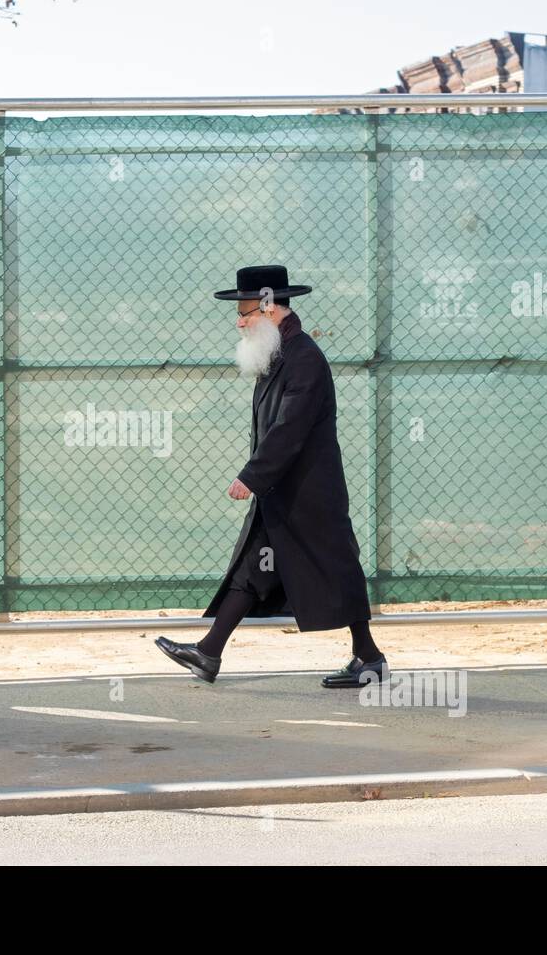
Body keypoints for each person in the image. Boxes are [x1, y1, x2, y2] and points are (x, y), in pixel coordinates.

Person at [155, 265, 387, 688]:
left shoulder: (304, 358)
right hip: (283, 492)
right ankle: (208, 654)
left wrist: (251, 476)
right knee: (253, 570)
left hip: (309, 495)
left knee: (338, 570)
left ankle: (369, 658)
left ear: (269, 307)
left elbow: (289, 428)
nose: (239, 322)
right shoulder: (280, 356)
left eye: (246, 312)